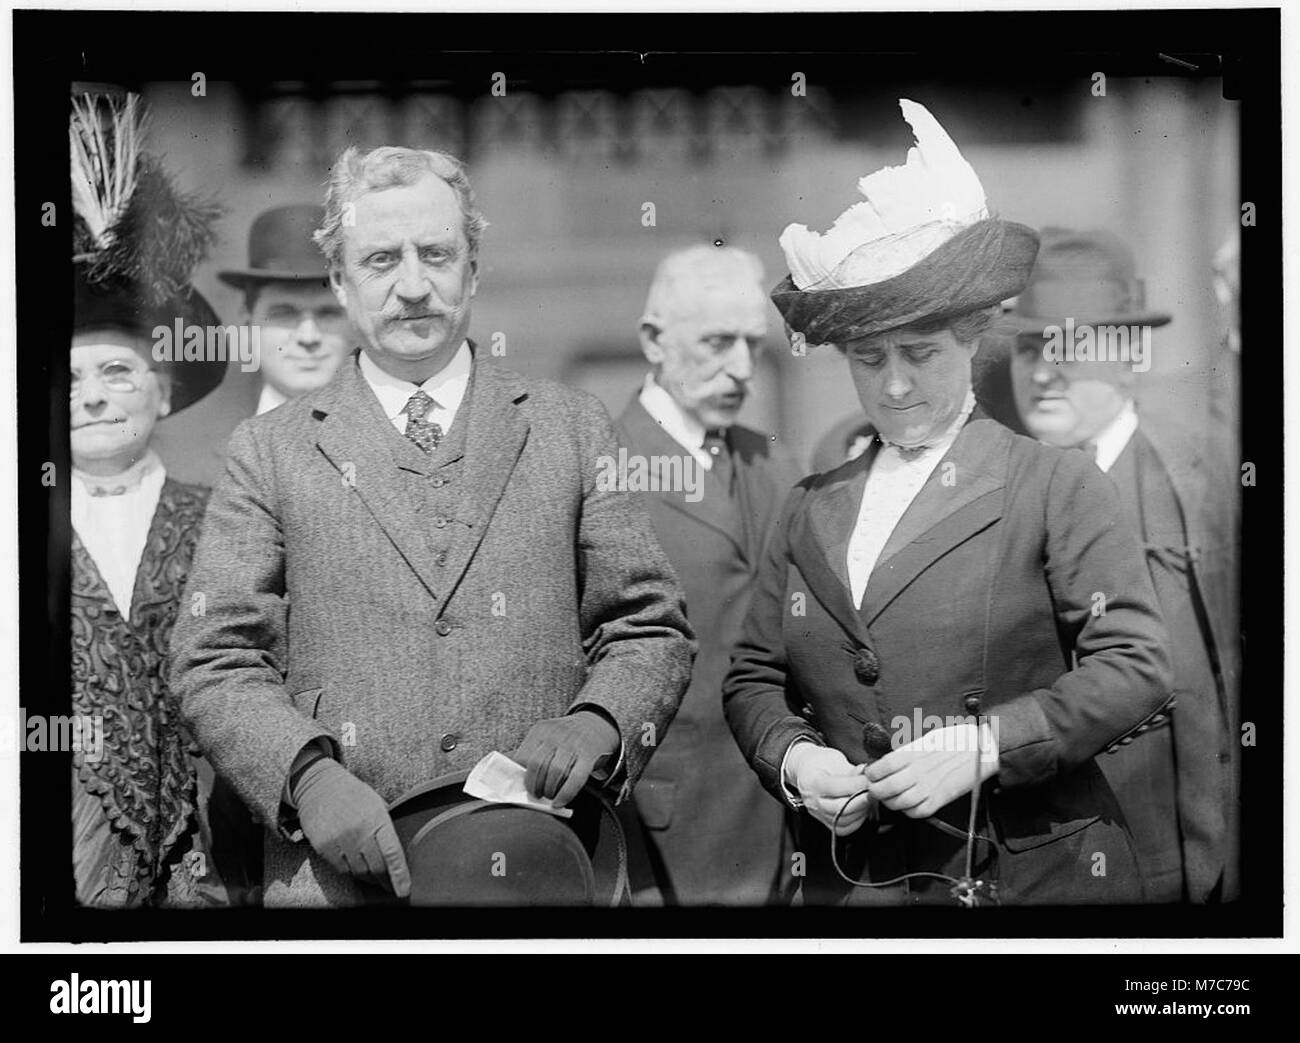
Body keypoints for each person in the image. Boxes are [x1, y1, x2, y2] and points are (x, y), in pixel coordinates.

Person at [170, 145, 695, 907]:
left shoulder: (571, 427)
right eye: (381, 259)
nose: (413, 285)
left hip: (546, 862)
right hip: (340, 882)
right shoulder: (270, 449)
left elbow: (649, 625)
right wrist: (306, 776)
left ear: (472, 271)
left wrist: (599, 722)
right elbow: (212, 653)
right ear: (341, 284)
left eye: (437, 254)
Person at [723, 100, 1174, 906]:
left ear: (971, 340)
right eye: (868, 358)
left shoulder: (1052, 484)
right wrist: (795, 759)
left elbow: (1135, 665)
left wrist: (989, 743)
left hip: (1024, 876)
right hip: (855, 884)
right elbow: (754, 676)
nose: (894, 383)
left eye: (920, 354)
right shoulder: (807, 506)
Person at [1005, 227, 1240, 903]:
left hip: (1191, 861)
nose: (1045, 369)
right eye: (1029, 345)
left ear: (1129, 358)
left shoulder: (1204, 477)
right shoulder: (1005, 488)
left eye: (1071, 345)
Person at [614, 244, 797, 905]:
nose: (742, 368)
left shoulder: (777, 462)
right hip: (662, 841)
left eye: (752, 344)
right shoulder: (603, 469)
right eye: (718, 342)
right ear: (653, 341)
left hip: (789, 821)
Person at [218, 204, 356, 415]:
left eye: (328, 313)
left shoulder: (393, 440)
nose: (308, 337)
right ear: (247, 328)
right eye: (284, 314)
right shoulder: (212, 445)